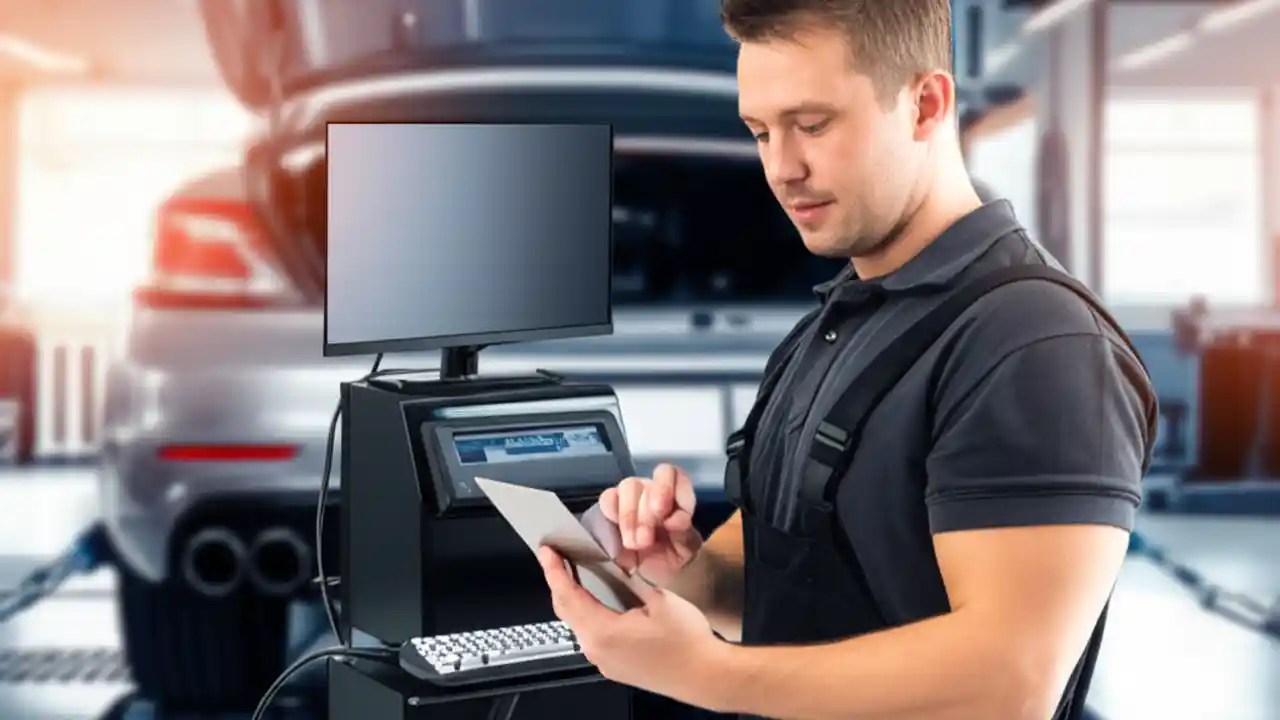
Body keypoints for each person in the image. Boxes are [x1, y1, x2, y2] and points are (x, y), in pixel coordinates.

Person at [536, 1, 1157, 718]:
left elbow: (1010, 683)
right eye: (760, 132)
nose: (781, 168)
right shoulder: (832, 326)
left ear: (925, 104)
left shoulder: (1035, 342)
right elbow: (802, 605)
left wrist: (703, 673)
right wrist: (688, 576)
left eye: (812, 124)